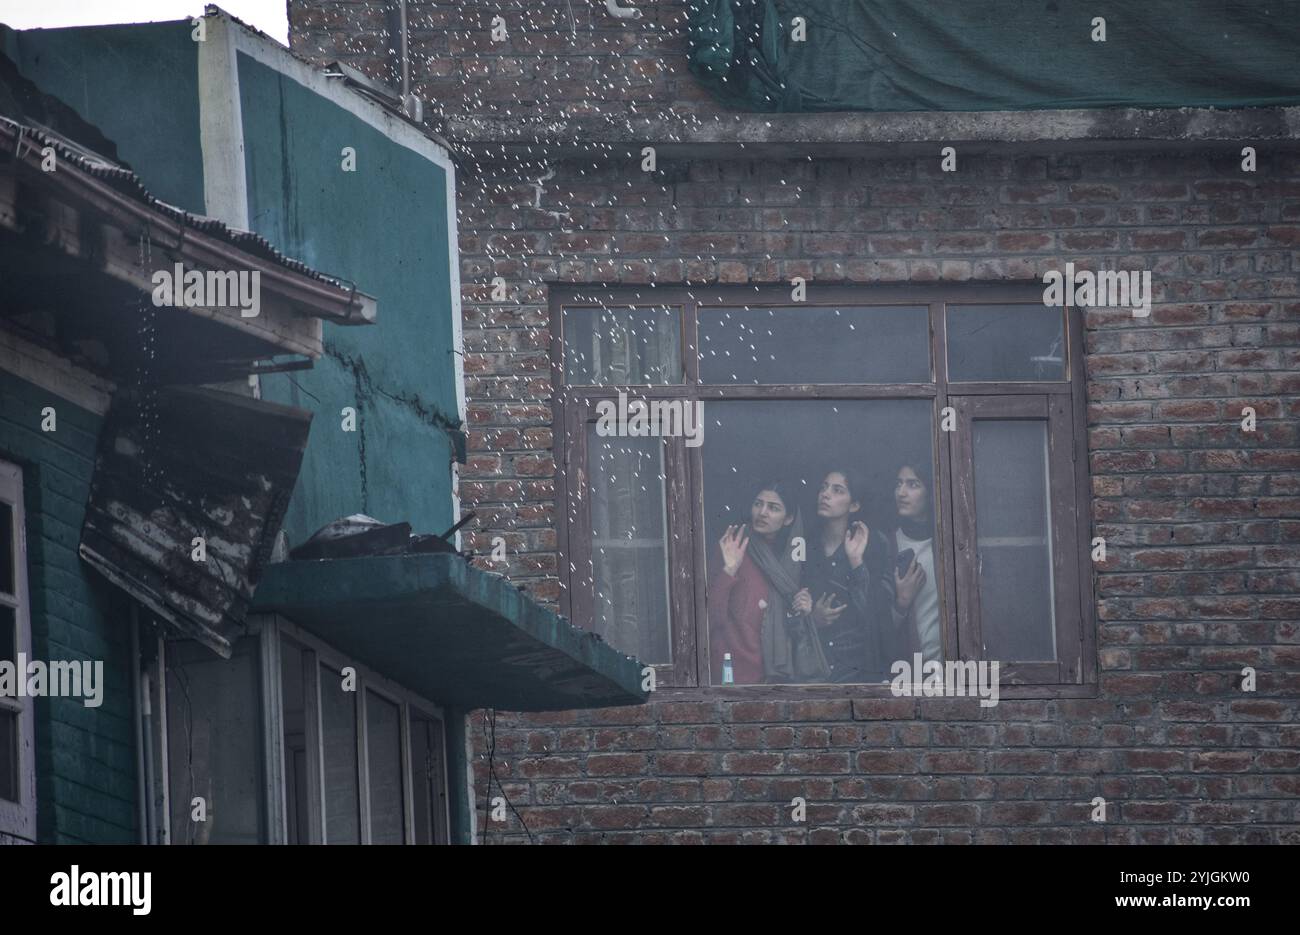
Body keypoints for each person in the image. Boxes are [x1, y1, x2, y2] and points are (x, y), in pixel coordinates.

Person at [793, 469, 894, 682]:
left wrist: (856, 562)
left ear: (854, 505)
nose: (825, 494)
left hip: (857, 670)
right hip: (815, 669)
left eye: (837, 490)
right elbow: (790, 604)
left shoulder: (873, 544)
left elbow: (877, 614)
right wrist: (813, 620)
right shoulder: (805, 545)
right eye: (823, 487)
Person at [709, 480, 803, 684]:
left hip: (777, 673)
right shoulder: (732, 548)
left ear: (788, 518)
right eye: (758, 504)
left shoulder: (790, 561)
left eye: (773, 508)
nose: (762, 512)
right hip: (737, 670)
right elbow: (710, 618)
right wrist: (730, 569)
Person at [890, 458, 942, 665]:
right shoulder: (889, 545)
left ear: (930, 493)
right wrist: (902, 602)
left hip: (948, 672)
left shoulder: (949, 544)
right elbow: (877, 633)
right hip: (908, 674)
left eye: (913, 485)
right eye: (898, 484)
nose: (901, 493)